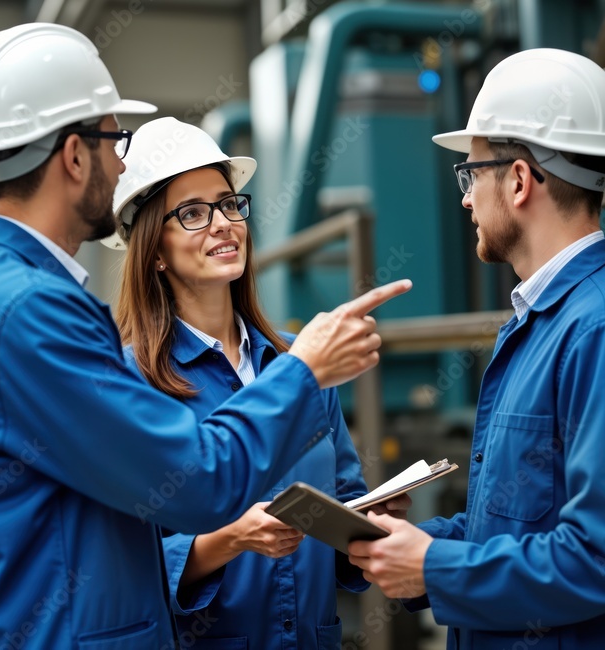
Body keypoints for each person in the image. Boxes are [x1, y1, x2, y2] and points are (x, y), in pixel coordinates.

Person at [0, 23, 411, 650]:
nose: (119, 161)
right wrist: (303, 371)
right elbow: (200, 478)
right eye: (113, 141)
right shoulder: (31, 313)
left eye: (229, 205)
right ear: (73, 155)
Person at [348, 48, 605, 649]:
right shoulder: (544, 324)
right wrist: (409, 546)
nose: (464, 199)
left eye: (471, 174)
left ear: (517, 180)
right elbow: (515, 525)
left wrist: (434, 567)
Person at [107, 116, 407, 648]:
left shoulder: (300, 361)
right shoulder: (131, 381)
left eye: (228, 204)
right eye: (194, 213)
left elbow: (344, 517)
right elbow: (121, 566)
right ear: (154, 250)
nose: (223, 223)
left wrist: (367, 524)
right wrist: (229, 541)